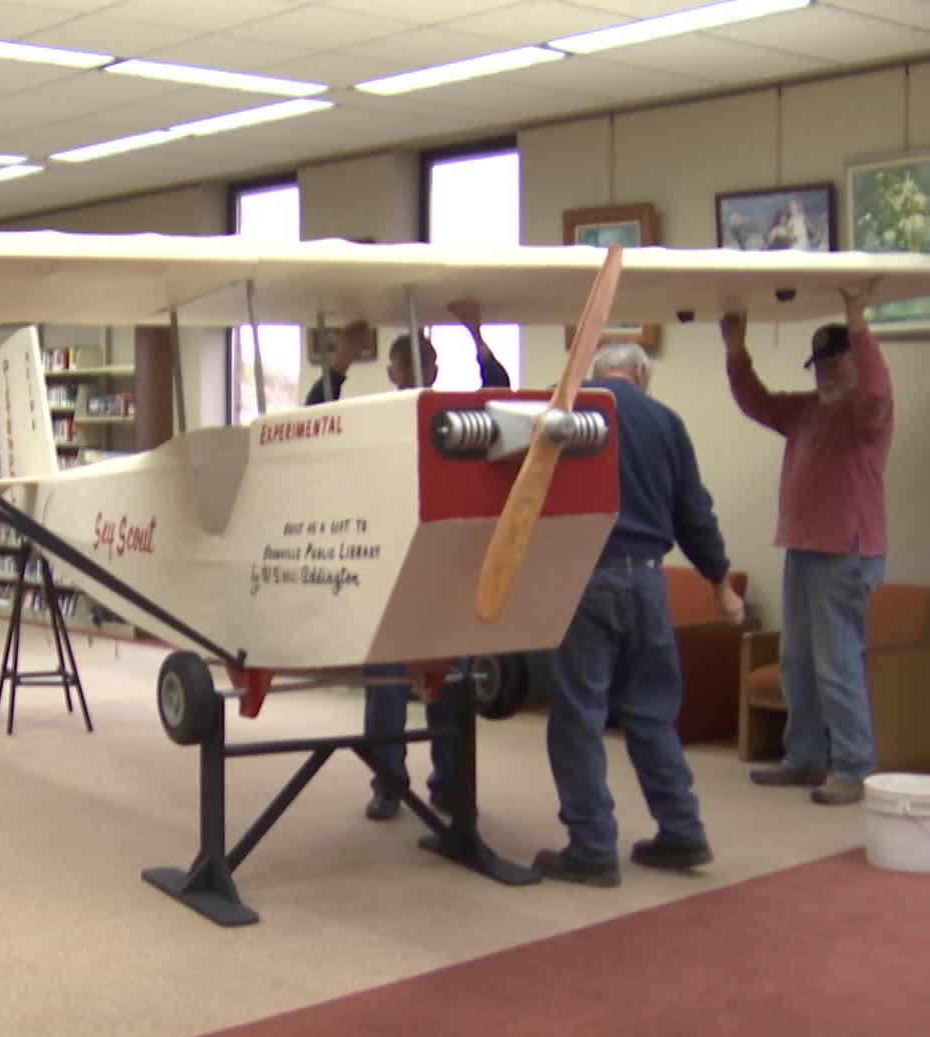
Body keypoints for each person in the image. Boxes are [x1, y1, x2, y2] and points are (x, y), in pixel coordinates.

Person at [535, 343, 744, 887]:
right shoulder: (666, 421)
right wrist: (720, 582)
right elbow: (694, 511)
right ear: (641, 374)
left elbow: (533, 496)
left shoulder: (571, 415)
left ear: (597, 373)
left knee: (579, 713)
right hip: (650, 580)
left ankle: (592, 847)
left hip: (585, 575)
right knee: (652, 713)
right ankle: (682, 829)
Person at [303, 302, 512, 820]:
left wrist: (476, 333)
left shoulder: (459, 414)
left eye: (424, 362)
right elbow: (316, 415)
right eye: (409, 363)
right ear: (395, 370)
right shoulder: (380, 419)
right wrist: (343, 358)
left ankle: (442, 782)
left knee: (449, 678)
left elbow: (502, 392)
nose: (417, 371)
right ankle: (392, 781)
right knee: (391, 685)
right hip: (394, 565)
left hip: (441, 562)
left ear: (433, 369)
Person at [720, 280, 893, 806]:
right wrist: (735, 349)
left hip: (846, 550)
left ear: (853, 363)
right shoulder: (807, 411)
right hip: (802, 545)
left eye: (833, 363)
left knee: (837, 662)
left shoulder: (867, 414)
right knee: (798, 659)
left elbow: (876, 392)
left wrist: (857, 317)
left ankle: (855, 767)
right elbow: (757, 402)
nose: (823, 372)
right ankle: (804, 758)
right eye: (818, 364)